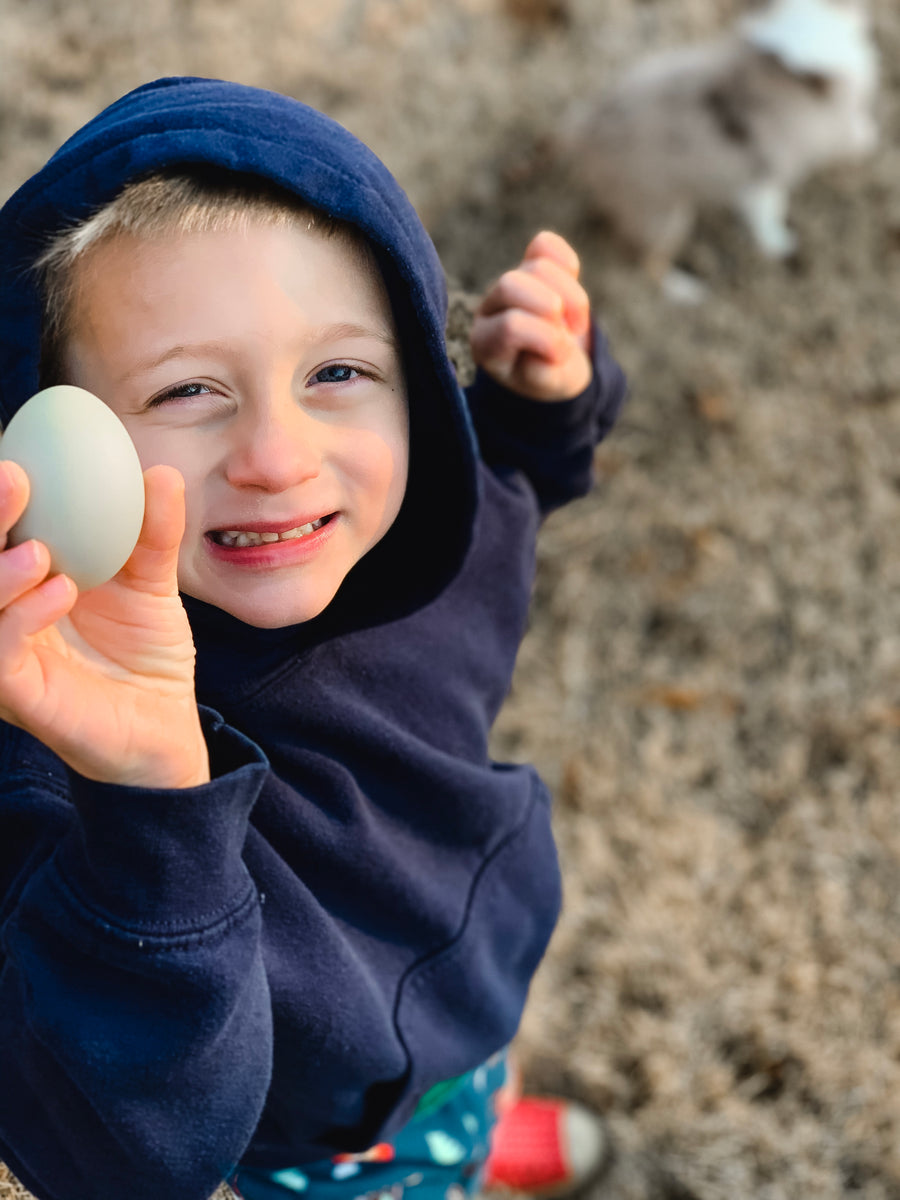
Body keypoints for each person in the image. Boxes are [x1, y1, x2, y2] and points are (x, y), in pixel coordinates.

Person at [0, 77, 626, 1200]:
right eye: (189, 391)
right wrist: (147, 790)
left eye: (338, 372)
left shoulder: (438, 519)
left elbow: (524, 467)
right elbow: (113, 1156)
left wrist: (549, 399)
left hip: (479, 967)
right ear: (56, 435)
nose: (278, 457)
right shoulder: (59, 741)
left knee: (471, 1072)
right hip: (312, 1138)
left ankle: (472, 1129)